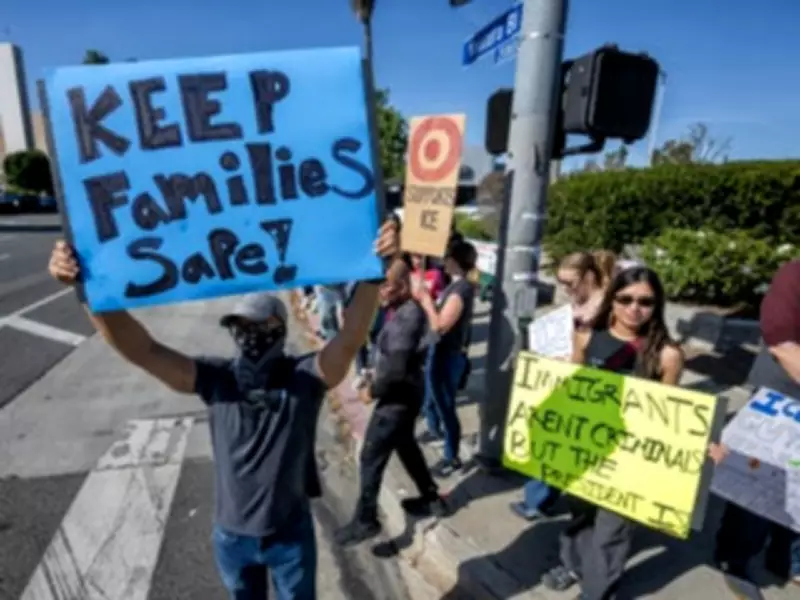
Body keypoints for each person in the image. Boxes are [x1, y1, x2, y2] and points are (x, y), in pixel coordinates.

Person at [46, 222, 398, 600]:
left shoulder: (304, 377)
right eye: (240, 326)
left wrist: (375, 272)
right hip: (233, 539)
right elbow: (142, 350)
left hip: (289, 537)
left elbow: (349, 339)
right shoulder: (217, 380)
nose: (248, 333)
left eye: (258, 325)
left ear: (279, 330)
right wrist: (88, 290)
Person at [542, 266, 685, 600]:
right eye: (626, 299)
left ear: (657, 305)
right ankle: (574, 564)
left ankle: (596, 592)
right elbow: (570, 384)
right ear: (613, 299)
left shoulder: (667, 355)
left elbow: (671, 414)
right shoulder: (588, 336)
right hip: (583, 451)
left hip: (629, 460)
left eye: (646, 302)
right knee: (582, 517)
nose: (635, 308)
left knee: (612, 533)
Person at [335, 258, 447, 546]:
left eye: (387, 286)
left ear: (402, 285)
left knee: (370, 457)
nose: (381, 292)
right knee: (406, 446)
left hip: (397, 399)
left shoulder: (408, 316)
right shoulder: (400, 310)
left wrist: (370, 392)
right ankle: (431, 497)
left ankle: (366, 520)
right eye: (380, 286)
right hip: (407, 394)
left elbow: (396, 368)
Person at [711, 259, 800, 586]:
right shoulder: (795, 274)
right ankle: (734, 558)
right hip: (781, 397)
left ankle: (788, 560)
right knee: (757, 483)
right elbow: (781, 342)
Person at [510, 251, 615, 522]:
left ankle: (540, 500)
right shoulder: (583, 303)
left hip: (588, 384)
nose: (566, 290)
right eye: (562, 283)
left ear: (589, 277)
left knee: (558, 445)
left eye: (571, 283)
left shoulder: (606, 306)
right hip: (567, 377)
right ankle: (540, 497)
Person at [413, 239, 477, 477]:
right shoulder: (455, 286)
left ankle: (452, 456)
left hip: (448, 355)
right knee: (437, 401)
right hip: (441, 352)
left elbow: (441, 325)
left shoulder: (461, 290)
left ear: (456, 261)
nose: (443, 262)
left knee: (446, 406)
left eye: (447, 258)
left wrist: (428, 303)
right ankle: (442, 439)